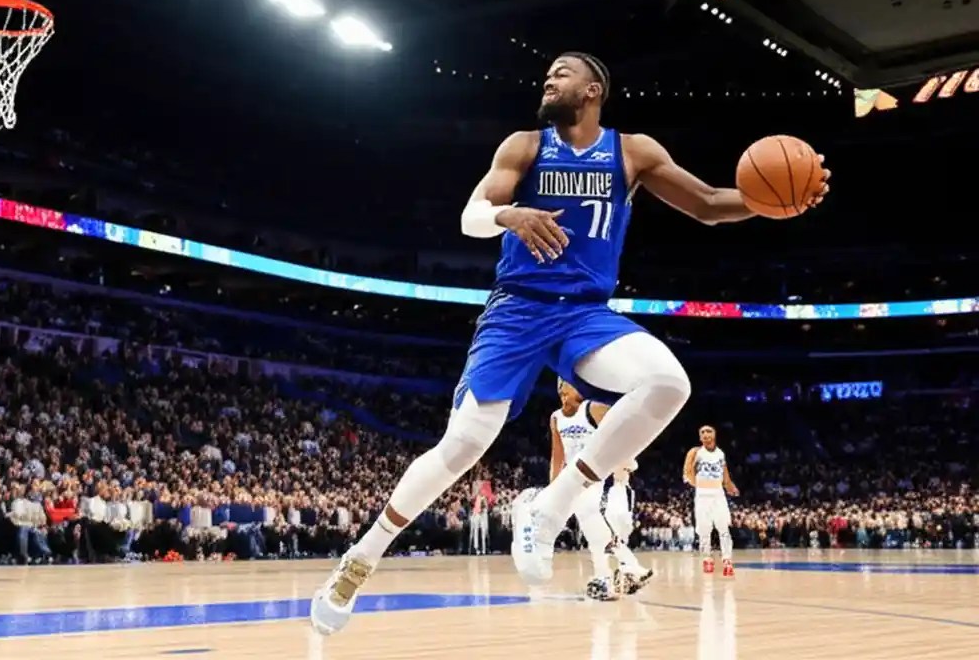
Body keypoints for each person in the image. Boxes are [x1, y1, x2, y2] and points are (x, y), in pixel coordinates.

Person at [309, 52, 829, 635]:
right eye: (548, 71)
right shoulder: (524, 146)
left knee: (668, 382)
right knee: (464, 443)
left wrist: (774, 204)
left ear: (593, 89)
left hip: (584, 314)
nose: (549, 78)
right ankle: (361, 559)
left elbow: (708, 205)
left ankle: (551, 505)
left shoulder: (633, 152)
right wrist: (512, 214)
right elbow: (471, 217)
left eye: (563, 71)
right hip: (517, 309)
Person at [549, 380, 651, 600]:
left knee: (592, 521)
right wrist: (553, 488)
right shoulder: (556, 418)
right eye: (573, 383)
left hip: (593, 473)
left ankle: (615, 572)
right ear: (562, 390)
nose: (581, 387)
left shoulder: (593, 407)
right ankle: (621, 571)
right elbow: (557, 456)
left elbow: (620, 432)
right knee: (591, 526)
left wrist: (627, 459)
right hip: (570, 478)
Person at [683, 425, 739, 576]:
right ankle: (707, 559)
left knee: (724, 528)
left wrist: (730, 487)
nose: (706, 434)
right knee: (704, 530)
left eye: (709, 431)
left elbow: (725, 476)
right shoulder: (695, 452)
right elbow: (687, 473)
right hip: (702, 495)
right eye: (702, 432)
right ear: (700, 437)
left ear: (714, 435)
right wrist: (700, 485)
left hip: (718, 494)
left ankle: (727, 560)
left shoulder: (720, 454)